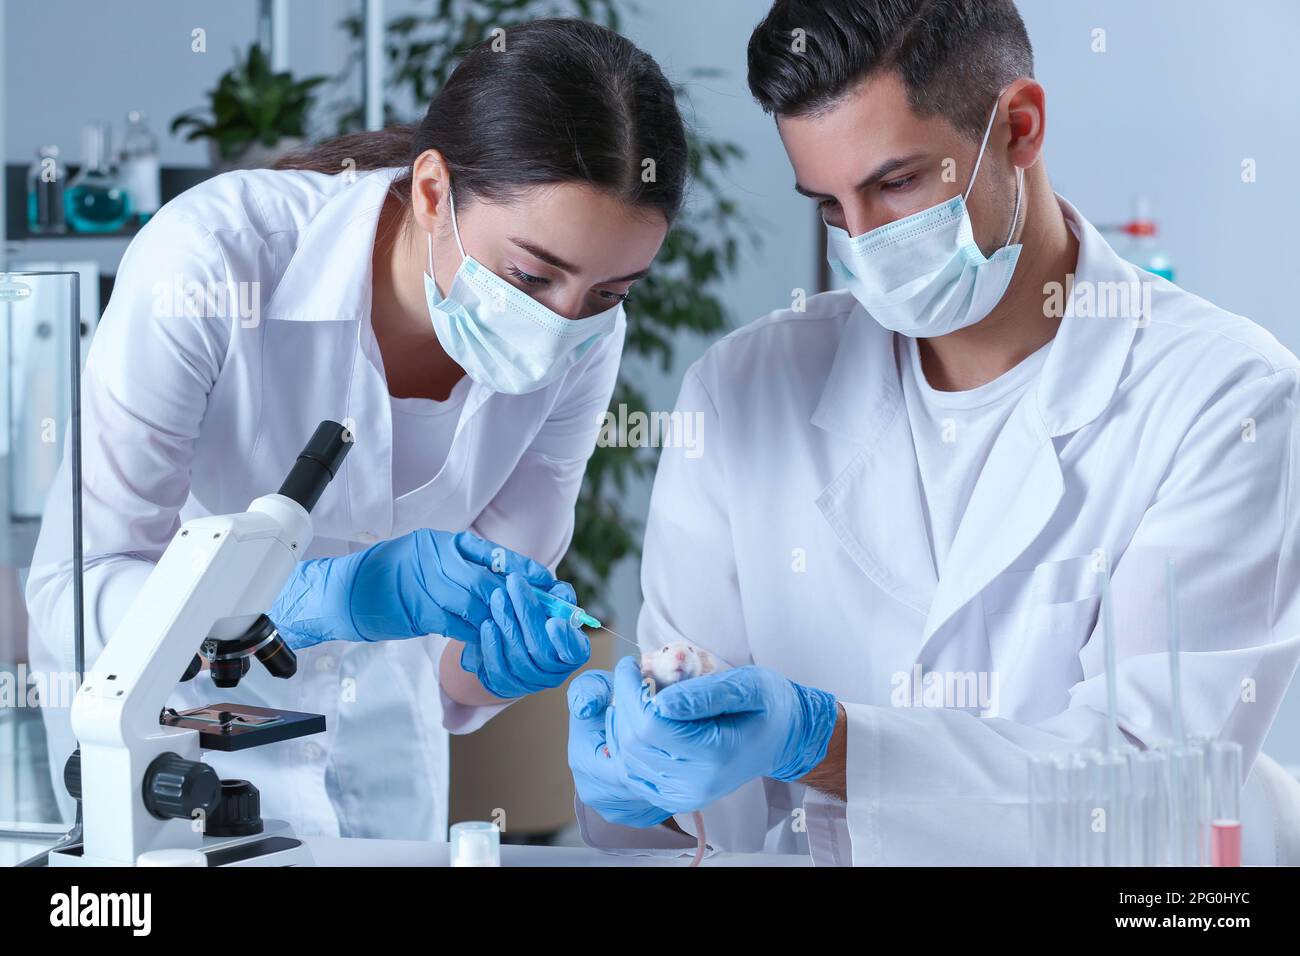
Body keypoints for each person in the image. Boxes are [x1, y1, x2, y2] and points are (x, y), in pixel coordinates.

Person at [568, 0, 1300, 864]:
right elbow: (698, 824)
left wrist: (829, 745)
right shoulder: (740, 395)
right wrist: (638, 778)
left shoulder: (1224, 397)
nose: (865, 244)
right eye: (831, 209)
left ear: (1019, 128)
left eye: (897, 184)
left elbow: (1145, 797)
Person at [27, 18, 687, 841]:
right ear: (436, 191)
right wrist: (310, 597)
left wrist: (497, 663)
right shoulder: (214, 259)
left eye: (608, 291)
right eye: (529, 274)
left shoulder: (588, 339)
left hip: (383, 777)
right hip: (173, 757)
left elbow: (458, 664)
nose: (559, 325)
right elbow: (72, 592)